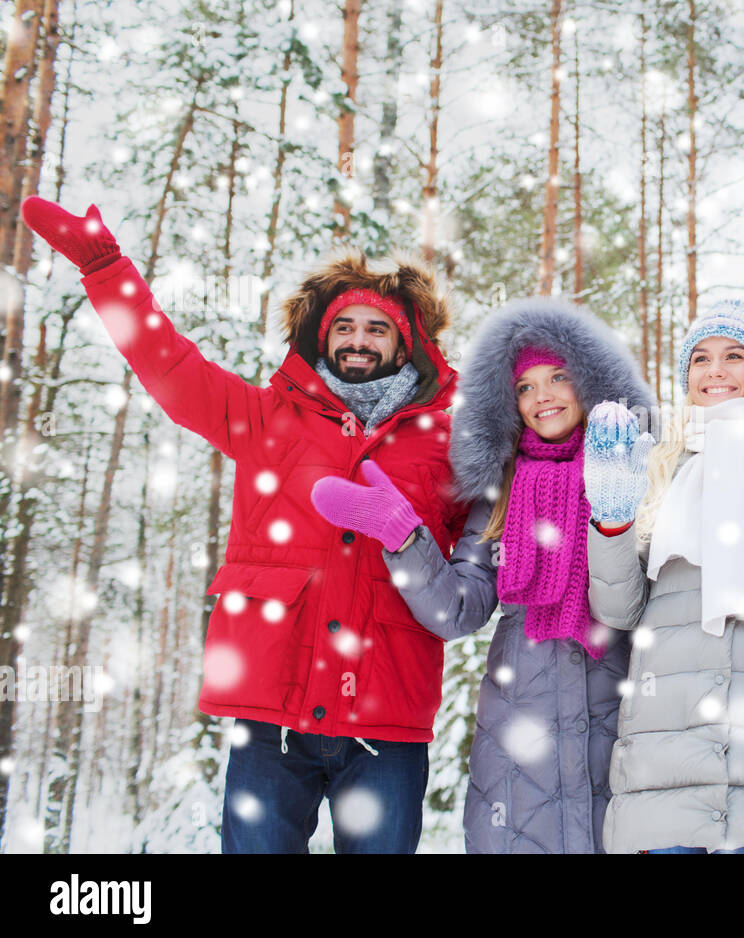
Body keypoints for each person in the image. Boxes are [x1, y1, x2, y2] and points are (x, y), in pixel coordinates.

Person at [21, 197, 467, 854]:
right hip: (272, 718)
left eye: (377, 329)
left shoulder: (445, 444)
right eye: (345, 327)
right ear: (321, 337)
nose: (359, 340)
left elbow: (498, 526)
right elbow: (169, 368)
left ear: (407, 344)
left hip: (388, 720)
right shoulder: (266, 419)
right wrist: (107, 268)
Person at [314, 298, 654, 853]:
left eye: (558, 377)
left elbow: (641, 600)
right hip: (520, 730)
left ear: (590, 380)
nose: (542, 396)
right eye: (525, 387)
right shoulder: (501, 493)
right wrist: (404, 536)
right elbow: (458, 610)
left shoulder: (636, 470)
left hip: (618, 707)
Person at [585, 300, 744, 854]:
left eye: (733, 355)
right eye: (700, 359)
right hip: (663, 762)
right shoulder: (660, 465)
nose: (714, 370)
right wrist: (613, 515)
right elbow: (619, 610)